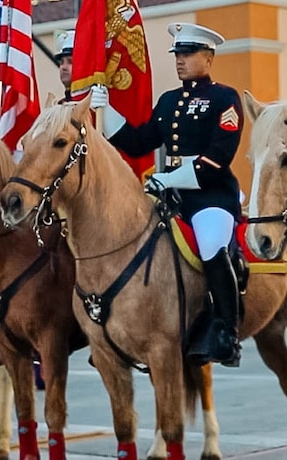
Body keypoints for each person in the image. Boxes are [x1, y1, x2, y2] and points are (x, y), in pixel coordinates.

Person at [90, 22, 244, 367]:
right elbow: (139, 141)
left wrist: (172, 177)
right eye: (177, 54)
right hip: (170, 194)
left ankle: (226, 332)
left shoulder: (224, 98)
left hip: (210, 195)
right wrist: (107, 107)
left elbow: (218, 157)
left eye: (187, 54)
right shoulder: (170, 100)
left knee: (210, 246)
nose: (180, 60)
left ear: (208, 57)